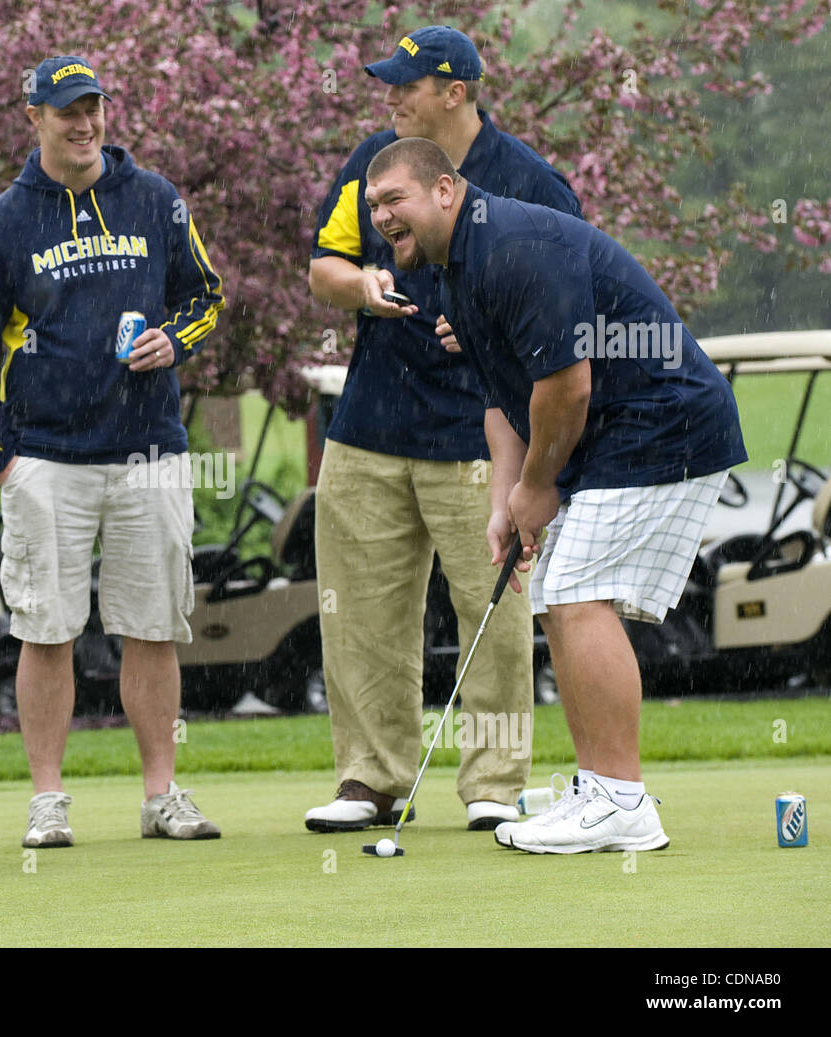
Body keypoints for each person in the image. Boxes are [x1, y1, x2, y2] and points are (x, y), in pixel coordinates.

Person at [362, 136, 747, 852]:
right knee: (559, 594)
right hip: (621, 436)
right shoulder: (456, 273)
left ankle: (621, 800)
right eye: (373, 204)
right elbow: (505, 400)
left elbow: (566, 387)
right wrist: (505, 500)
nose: (381, 216)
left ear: (446, 190)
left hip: (666, 425)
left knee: (574, 591)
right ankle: (600, 786)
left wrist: (538, 488)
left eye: (395, 199)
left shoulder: (511, 246)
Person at [305, 25, 583, 834]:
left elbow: (565, 311)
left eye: (407, 84)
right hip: (367, 424)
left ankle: (493, 782)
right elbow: (323, 267)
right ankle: (369, 780)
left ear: (455, 91)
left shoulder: (531, 180)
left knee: (492, 614)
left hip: (482, 431)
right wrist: (361, 286)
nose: (390, 96)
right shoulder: (373, 164)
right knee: (359, 612)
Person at [0, 56, 226, 848]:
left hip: (149, 452)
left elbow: (206, 295)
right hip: (47, 458)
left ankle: (161, 793)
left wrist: (177, 340)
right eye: (67, 109)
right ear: (33, 115)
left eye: (95, 107)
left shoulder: (155, 199)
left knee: (152, 625)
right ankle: (47, 798)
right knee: (47, 629)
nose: (85, 123)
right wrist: (7, 458)